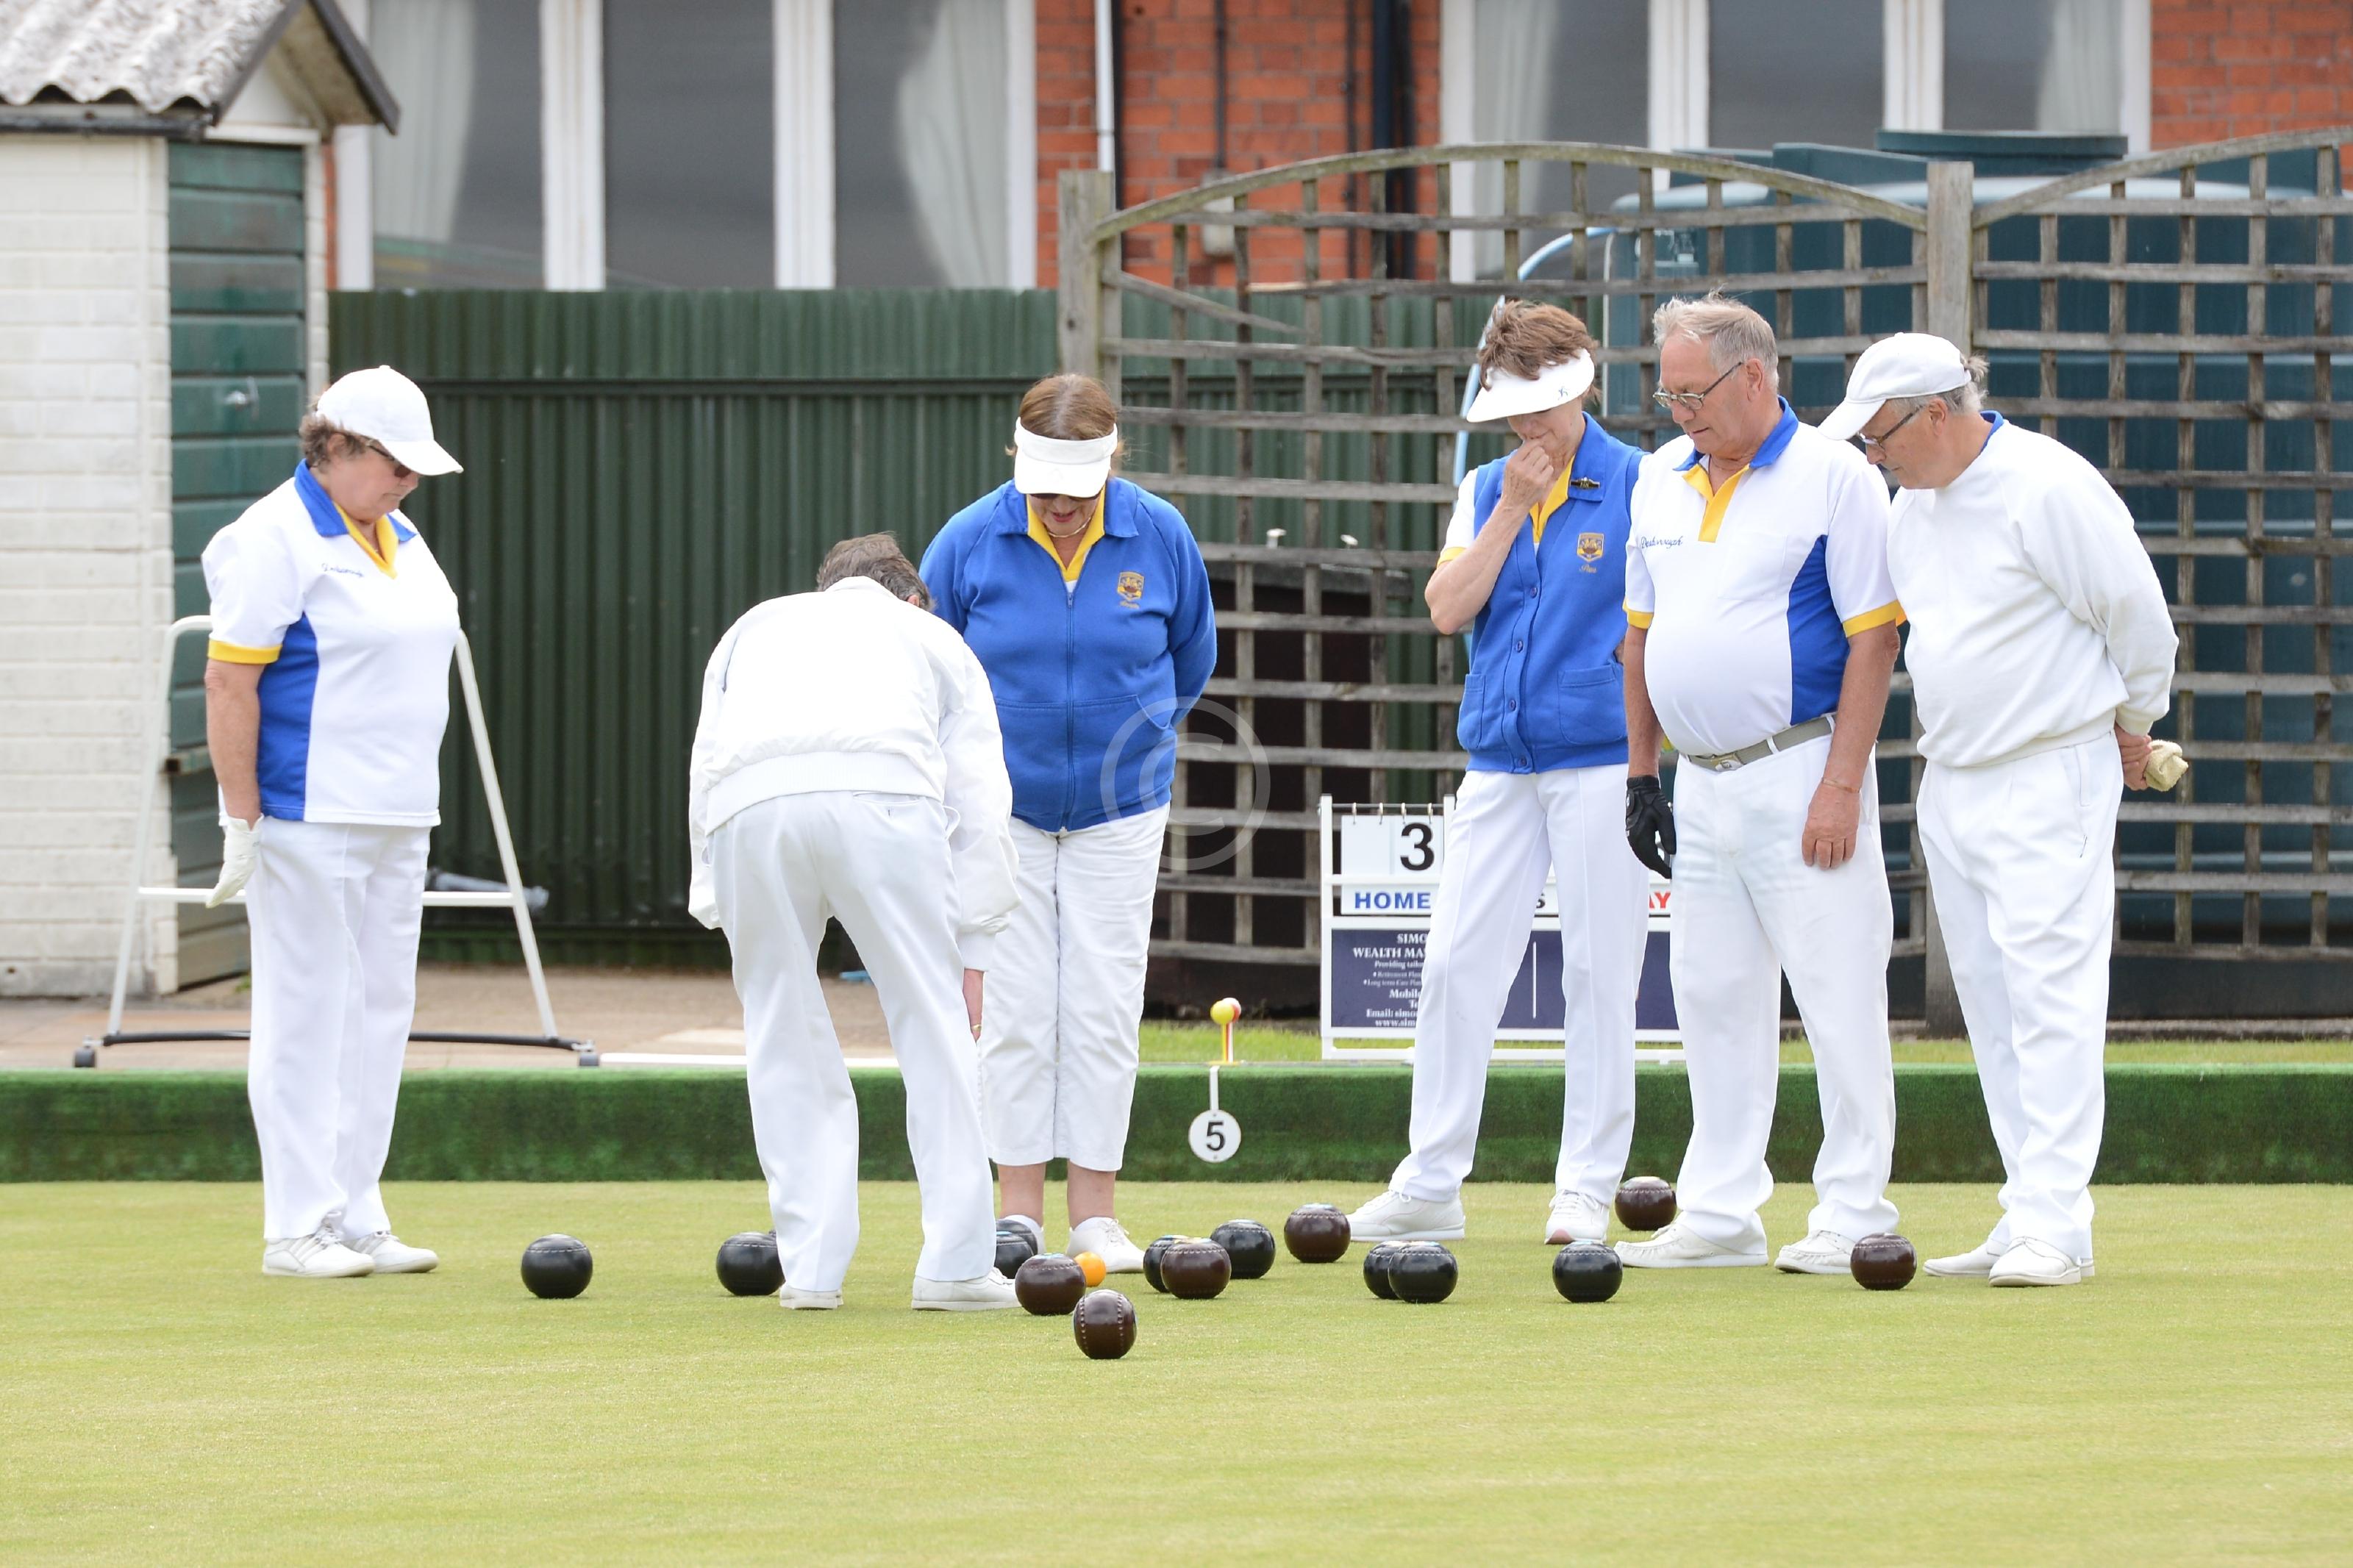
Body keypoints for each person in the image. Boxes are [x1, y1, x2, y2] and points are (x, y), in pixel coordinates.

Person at [1820, 334, 2177, 1287]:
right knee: (1992, 1002)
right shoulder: (1911, 507)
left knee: (2052, 999)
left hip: (2049, 772)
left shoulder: (2049, 486)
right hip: (1955, 778)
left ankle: (2057, 1227)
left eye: (1882, 433)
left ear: (1940, 409)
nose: (1873, 454)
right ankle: (2029, 1208)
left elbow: (2139, 620)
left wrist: (2136, 720)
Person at [1344, 301, 1652, 1245]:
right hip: (1497, 755)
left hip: (1601, 757)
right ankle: (1431, 1178)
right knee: (1452, 964)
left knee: (1600, 972)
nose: (1528, 432)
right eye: (1513, 414)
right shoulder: (1484, 488)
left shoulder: (1646, 481)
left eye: (1542, 412)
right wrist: (1513, 505)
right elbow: (1445, 608)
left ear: (1582, 388)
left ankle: (1585, 1186)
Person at [1615, 294, 1904, 1274]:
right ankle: (1721, 1213)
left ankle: (1856, 1210)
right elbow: (1639, 635)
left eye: (1693, 393)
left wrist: (1840, 785)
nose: (1679, 412)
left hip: (1801, 769)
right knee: (1710, 993)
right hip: (1700, 784)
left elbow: (1876, 636)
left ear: (1754, 376)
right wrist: (1642, 774)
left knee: (1837, 993)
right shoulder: (1658, 477)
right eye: (1668, 393)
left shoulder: (1838, 478)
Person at [919, 374, 1215, 1273]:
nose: (1056, 509)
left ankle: (1094, 1214)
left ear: (1109, 466)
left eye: (1074, 495)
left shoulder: (1158, 533)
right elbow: (926, 669)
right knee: (1011, 1008)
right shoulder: (968, 540)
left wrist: (1140, 741)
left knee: (1100, 1005)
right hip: (997, 814)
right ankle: (1017, 1214)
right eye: (1042, 491)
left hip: (1120, 812)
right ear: (1016, 463)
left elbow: (1190, 657)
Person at [687, 534, 1019, 1311]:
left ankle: (808, 1274)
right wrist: (974, 945)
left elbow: (707, 757)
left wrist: (715, 897)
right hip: (883, 797)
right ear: (910, 595)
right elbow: (978, 792)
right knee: (934, 1025)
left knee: (778, 1026)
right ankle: (957, 1268)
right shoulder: (930, 635)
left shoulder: (754, 625)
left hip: (747, 811)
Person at [200, 365, 464, 1278]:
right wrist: (242, 819)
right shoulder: (270, 536)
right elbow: (229, 679)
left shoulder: (402, 529)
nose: (409, 481)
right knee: (309, 1011)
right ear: (338, 447)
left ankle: (357, 1211)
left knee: (380, 1011)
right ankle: (294, 1228)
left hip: (399, 810)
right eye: (394, 463)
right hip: (307, 812)